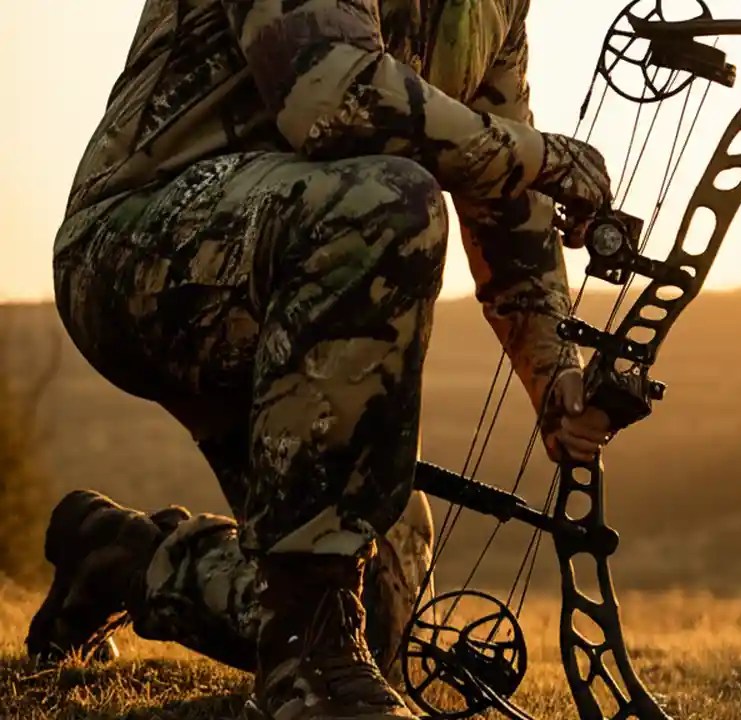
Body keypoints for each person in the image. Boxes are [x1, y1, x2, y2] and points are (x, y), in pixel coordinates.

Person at [25, 1, 617, 718]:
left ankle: (126, 561)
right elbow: (334, 93)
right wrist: (546, 157)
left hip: (297, 264)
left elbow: (505, 199)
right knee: (386, 200)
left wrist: (556, 371)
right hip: (134, 250)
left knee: (381, 596)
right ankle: (310, 661)